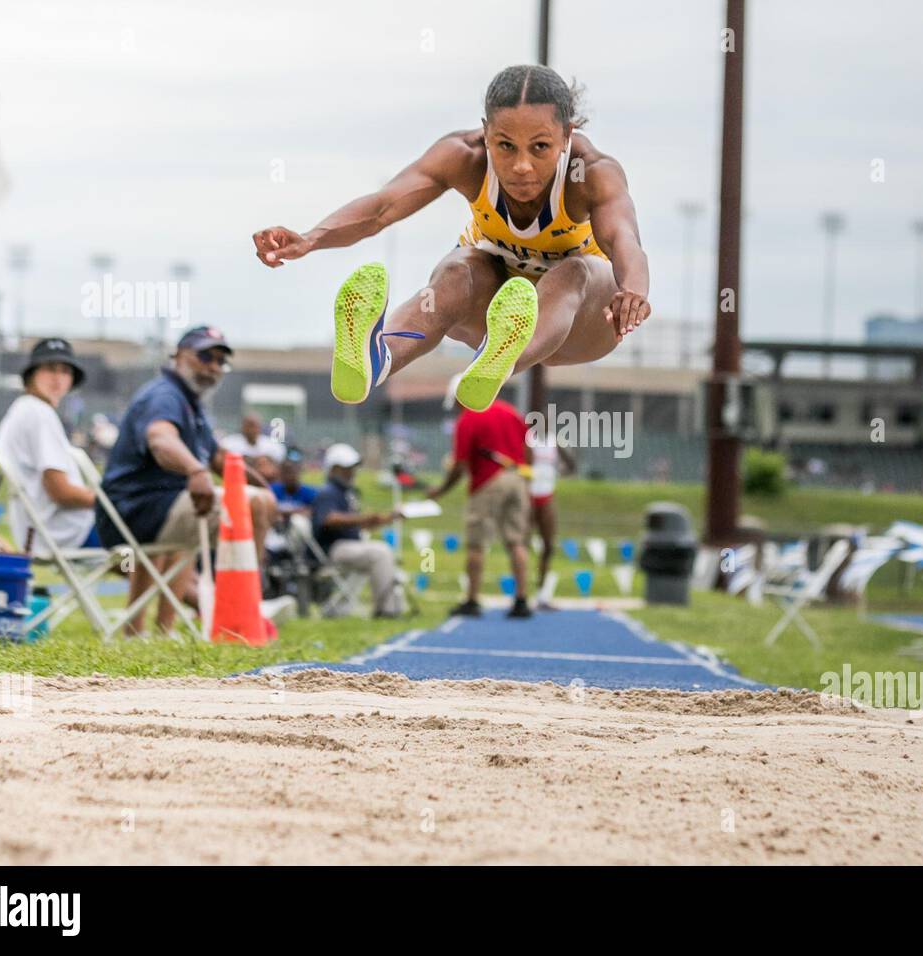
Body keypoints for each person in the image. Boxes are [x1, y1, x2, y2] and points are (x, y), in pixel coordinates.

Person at [251, 64, 652, 413]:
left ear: (567, 135)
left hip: (584, 324)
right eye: (505, 146)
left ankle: (500, 360)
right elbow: (381, 208)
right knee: (458, 269)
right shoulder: (464, 155)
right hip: (489, 316)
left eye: (541, 147)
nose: (521, 166)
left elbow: (624, 239)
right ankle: (379, 359)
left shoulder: (593, 173)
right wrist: (310, 238)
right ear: (486, 133)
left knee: (576, 272)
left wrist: (633, 290)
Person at [97, 326, 277, 634]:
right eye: (206, 355)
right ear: (178, 356)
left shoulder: (191, 402)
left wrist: (263, 486)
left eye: (221, 361)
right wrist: (196, 472)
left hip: (146, 509)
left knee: (233, 501)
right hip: (131, 514)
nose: (213, 366)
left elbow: (219, 458)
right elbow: (160, 439)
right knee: (254, 505)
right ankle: (244, 612)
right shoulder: (165, 396)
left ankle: (149, 629)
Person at [0, 338, 99, 557]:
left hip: (38, 532)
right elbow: (60, 491)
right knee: (157, 540)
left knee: (160, 557)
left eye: (65, 371)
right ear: (31, 375)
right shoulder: (40, 414)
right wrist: (110, 501)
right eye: (50, 369)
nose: (58, 378)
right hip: (68, 531)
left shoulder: (21, 410)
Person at [428, 397, 532, 619]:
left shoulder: (468, 418)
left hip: (488, 481)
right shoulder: (510, 410)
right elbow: (528, 445)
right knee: (516, 541)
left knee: (476, 543)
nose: (456, 408)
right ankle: (521, 599)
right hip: (518, 478)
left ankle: (472, 599)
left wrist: (441, 490)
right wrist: (526, 475)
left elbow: (459, 465)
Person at [310, 443, 404, 618]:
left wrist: (388, 517)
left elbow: (359, 523)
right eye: (348, 468)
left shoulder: (348, 493)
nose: (352, 471)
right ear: (335, 469)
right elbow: (330, 519)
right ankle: (387, 610)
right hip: (334, 549)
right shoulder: (328, 492)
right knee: (380, 552)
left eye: (353, 467)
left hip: (351, 545)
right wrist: (365, 518)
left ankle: (390, 606)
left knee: (382, 550)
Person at [526, 424, 574, 603]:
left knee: (548, 546)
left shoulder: (554, 440)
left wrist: (559, 471)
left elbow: (571, 465)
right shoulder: (527, 438)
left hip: (546, 497)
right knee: (521, 545)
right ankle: (520, 592)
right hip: (528, 498)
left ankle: (542, 593)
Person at [270, 446, 318, 516]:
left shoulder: (310, 492)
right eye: (286, 472)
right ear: (281, 474)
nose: (289, 476)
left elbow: (313, 511)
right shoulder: (273, 490)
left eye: (292, 472)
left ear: (299, 472)